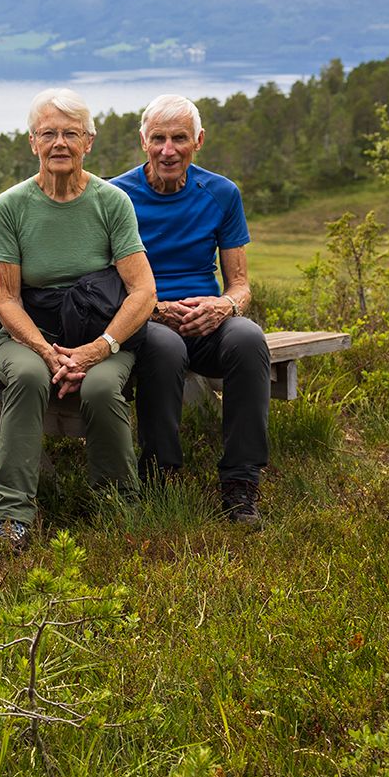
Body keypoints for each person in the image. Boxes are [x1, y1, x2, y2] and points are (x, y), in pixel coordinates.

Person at [0, 89, 156, 550]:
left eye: (70, 133)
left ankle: (118, 505)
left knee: (102, 387)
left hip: (100, 331)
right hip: (28, 333)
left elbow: (143, 290)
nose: (59, 143)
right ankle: (12, 515)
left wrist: (98, 349)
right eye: (49, 133)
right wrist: (44, 350)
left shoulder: (112, 202)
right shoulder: (11, 205)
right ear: (32, 142)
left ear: (88, 142)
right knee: (26, 377)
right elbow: (5, 297)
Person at [111, 95, 268, 524]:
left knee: (249, 338)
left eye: (179, 138)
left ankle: (241, 482)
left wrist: (224, 306)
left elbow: (240, 284)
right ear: (143, 141)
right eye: (158, 138)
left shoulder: (220, 193)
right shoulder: (116, 195)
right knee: (165, 348)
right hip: (145, 321)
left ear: (198, 141)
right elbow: (107, 282)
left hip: (206, 321)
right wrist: (155, 309)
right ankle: (162, 473)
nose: (168, 150)